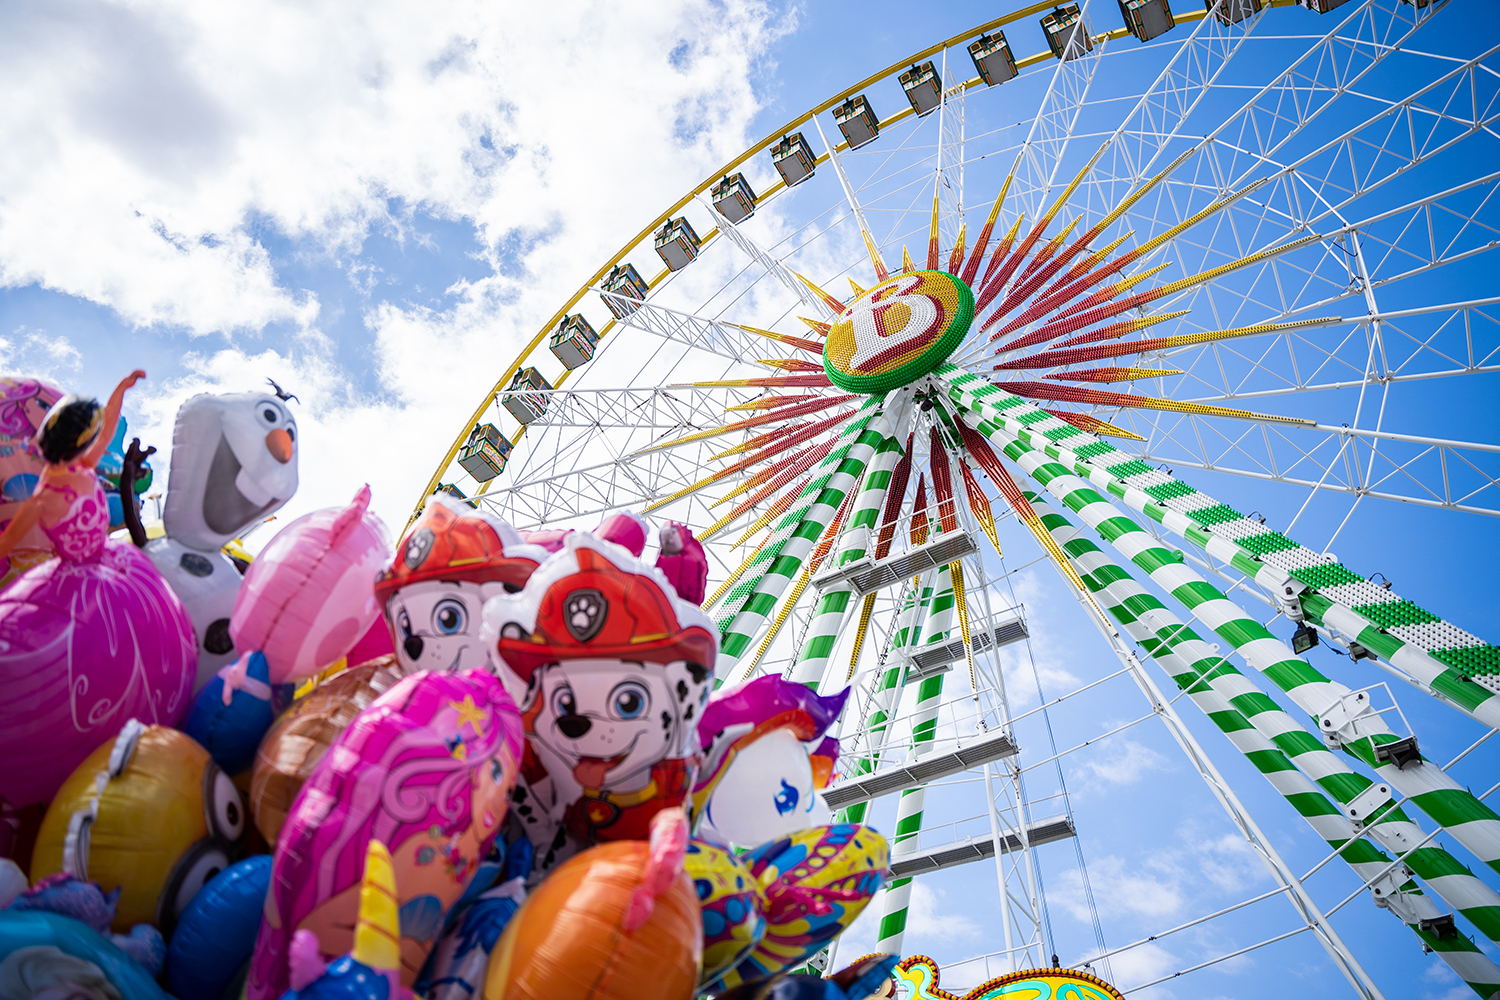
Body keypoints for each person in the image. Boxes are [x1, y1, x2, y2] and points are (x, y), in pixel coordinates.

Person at [0, 371, 197, 812]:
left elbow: (108, 428)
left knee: (146, 642)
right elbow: (7, 544)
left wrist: (121, 390)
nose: (96, 442)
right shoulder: (43, 497)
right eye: (86, 436)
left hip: (111, 566)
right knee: (73, 674)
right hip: (71, 584)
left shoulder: (78, 466)